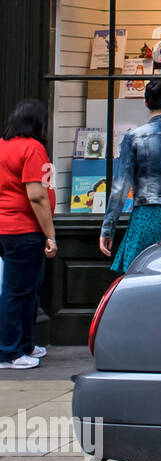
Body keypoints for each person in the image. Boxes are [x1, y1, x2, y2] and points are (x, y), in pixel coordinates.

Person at [99, 79, 161, 272]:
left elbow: (120, 188)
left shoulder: (133, 137)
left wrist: (107, 228)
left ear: (146, 102)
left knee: (138, 277)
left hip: (144, 217)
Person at [0, 99, 57, 370]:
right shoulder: (33, 149)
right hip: (24, 229)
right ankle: (8, 352)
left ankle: (24, 345)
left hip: (6, 229)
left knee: (24, 290)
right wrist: (51, 234)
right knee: (18, 292)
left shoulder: (3, 146)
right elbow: (37, 196)